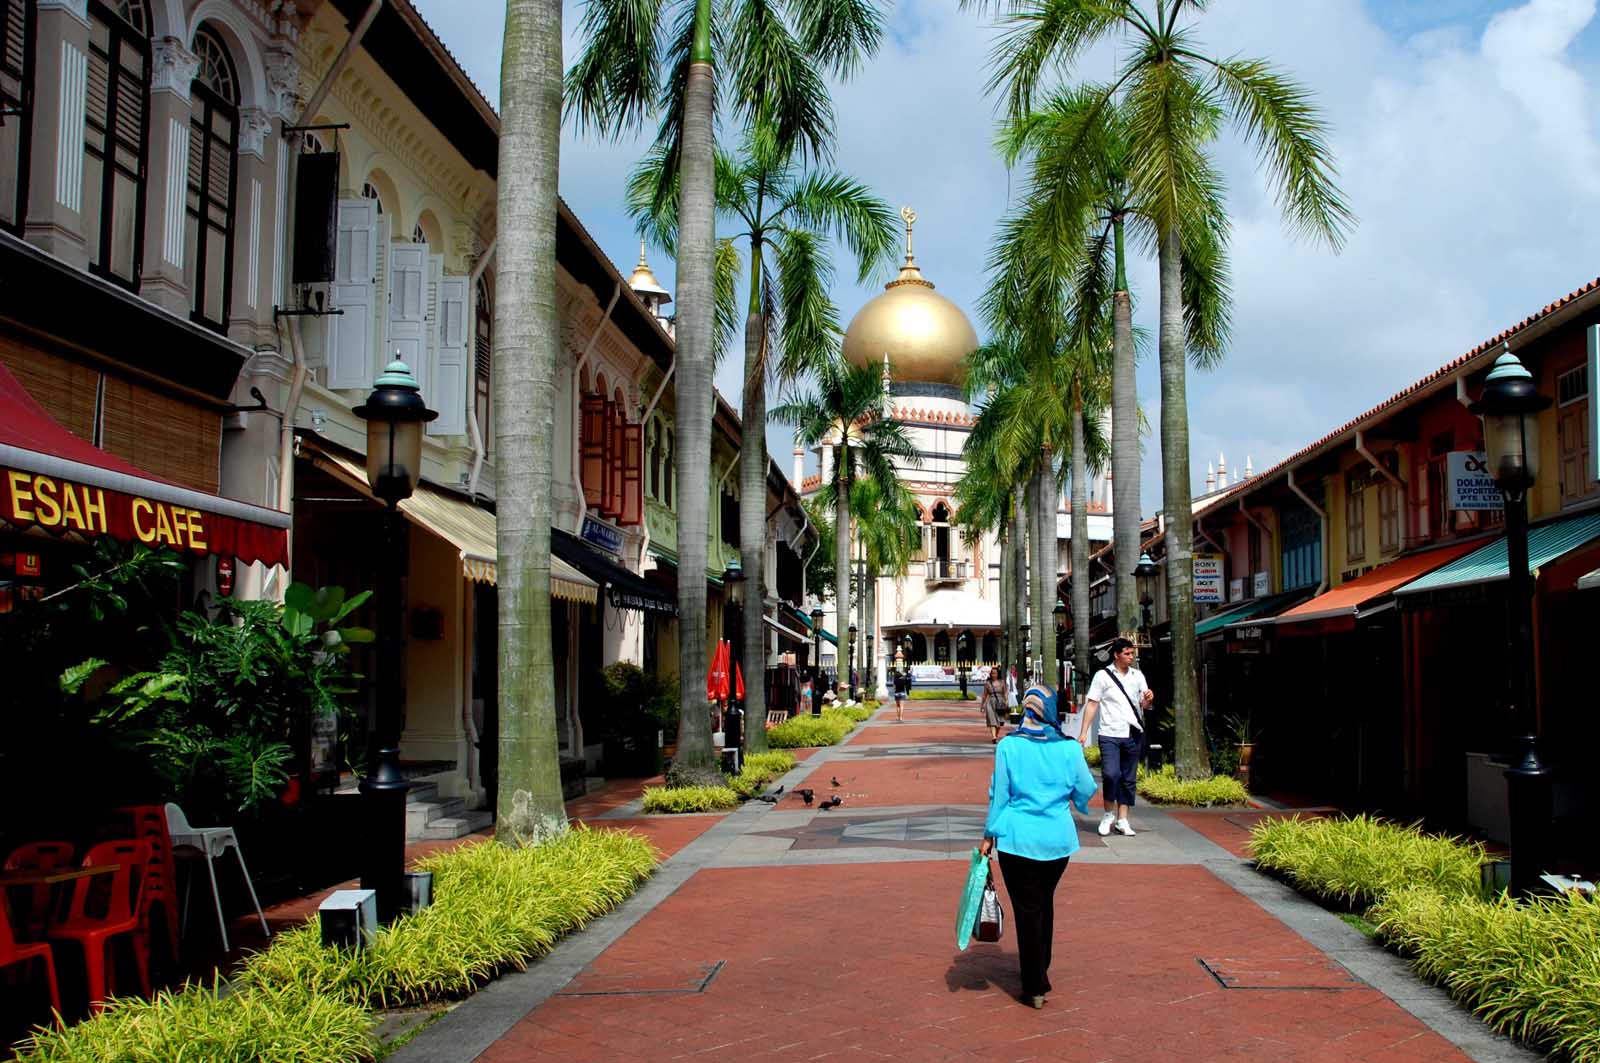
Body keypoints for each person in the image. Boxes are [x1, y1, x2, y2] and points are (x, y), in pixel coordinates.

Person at [979, 685, 1097, 1009]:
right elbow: (1087, 787)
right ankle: (1040, 969)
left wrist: (988, 835)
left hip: (1018, 839)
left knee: (1028, 909)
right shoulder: (1070, 749)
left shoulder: (1009, 746)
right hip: (1057, 841)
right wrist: (1073, 800)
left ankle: (1034, 984)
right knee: (1044, 902)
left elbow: (999, 795)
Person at [1077, 637, 1154, 838]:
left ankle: (1123, 819)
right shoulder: (1102, 676)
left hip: (1133, 732)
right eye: (1127, 653)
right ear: (1116, 655)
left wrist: (1148, 700)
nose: (1131, 657)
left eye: (1132, 653)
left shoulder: (1138, 676)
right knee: (1111, 774)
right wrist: (1083, 732)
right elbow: (1092, 704)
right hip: (1109, 732)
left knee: (1128, 778)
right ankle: (1108, 814)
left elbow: (1143, 706)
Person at [982, 666, 1008, 743]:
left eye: (995, 673)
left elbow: (1005, 692)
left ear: (998, 674)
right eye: (992, 673)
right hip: (990, 702)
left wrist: (1006, 701)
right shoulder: (987, 683)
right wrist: (982, 705)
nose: (993, 675)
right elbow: (984, 695)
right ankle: (994, 737)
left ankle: (995, 735)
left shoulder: (1002, 682)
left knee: (999, 723)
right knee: (992, 720)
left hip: (1000, 702)